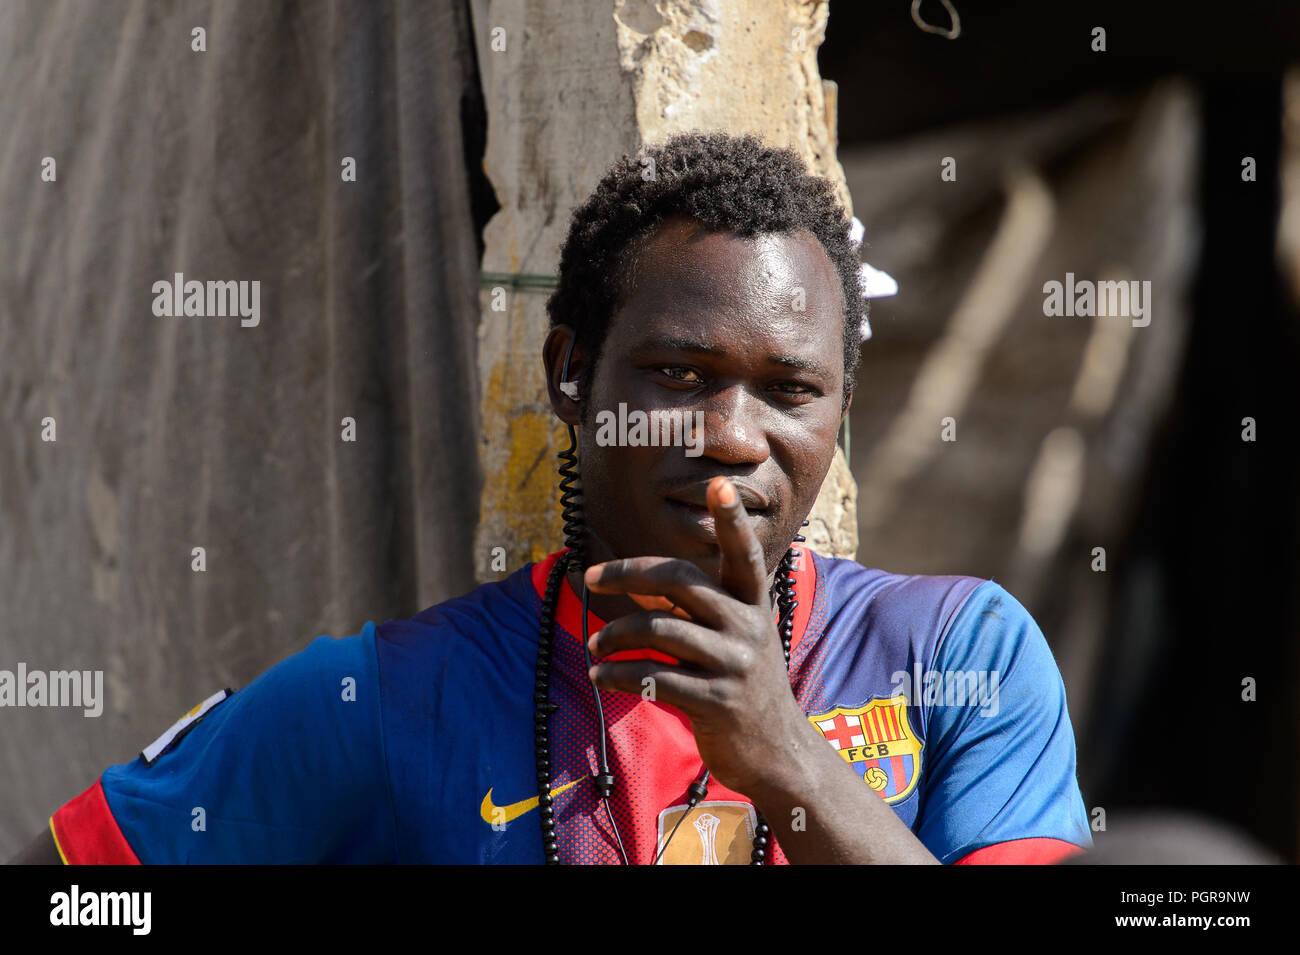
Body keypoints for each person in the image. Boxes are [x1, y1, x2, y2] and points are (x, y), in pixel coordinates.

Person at [11, 131, 1091, 865]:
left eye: (789, 391)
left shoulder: (960, 657)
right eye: (678, 373)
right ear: (572, 374)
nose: (729, 434)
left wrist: (783, 755)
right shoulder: (391, 697)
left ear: (838, 412)